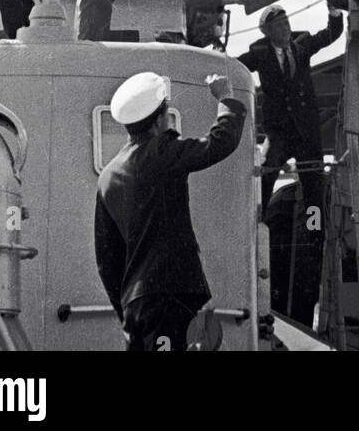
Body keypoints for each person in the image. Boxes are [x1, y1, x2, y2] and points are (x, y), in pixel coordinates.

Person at [94, 68, 246, 352]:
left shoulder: (108, 175)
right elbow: (220, 142)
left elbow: (107, 258)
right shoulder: (162, 152)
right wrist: (225, 99)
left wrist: (125, 309)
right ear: (159, 121)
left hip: (137, 306)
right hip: (174, 300)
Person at [237, 2, 343, 218]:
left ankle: (315, 236)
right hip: (279, 132)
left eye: (286, 23)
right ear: (267, 32)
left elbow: (332, 33)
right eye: (278, 25)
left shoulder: (301, 44)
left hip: (306, 132)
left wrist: (334, 12)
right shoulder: (259, 52)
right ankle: (258, 224)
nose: (285, 28)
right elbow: (236, 66)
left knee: (314, 189)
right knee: (266, 174)